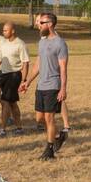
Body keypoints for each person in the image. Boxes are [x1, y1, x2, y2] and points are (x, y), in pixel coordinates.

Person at [20, 12, 68, 160]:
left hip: (53, 85)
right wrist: (27, 81)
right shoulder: (42, 42)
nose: (38, 25)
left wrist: (63, 88)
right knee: (40, 119)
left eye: (41, 23)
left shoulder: (60, 43)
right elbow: (38, 64)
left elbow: (63, 68)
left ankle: (49, 150)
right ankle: (59, 135)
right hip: (41, 85)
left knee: (49, 118)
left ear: (50, 24)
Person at [0, 22, 29, 137]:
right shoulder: (3, 44)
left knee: (5, 102)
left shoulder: (20, 44)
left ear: (12, 31)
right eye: (3, 30)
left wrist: (24, 80)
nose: (3, 32)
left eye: (6, 30)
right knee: (12, 103)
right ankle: (19, 128)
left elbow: (25, 63)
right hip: (4, 75)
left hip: (14, 75)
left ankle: (2, 130)